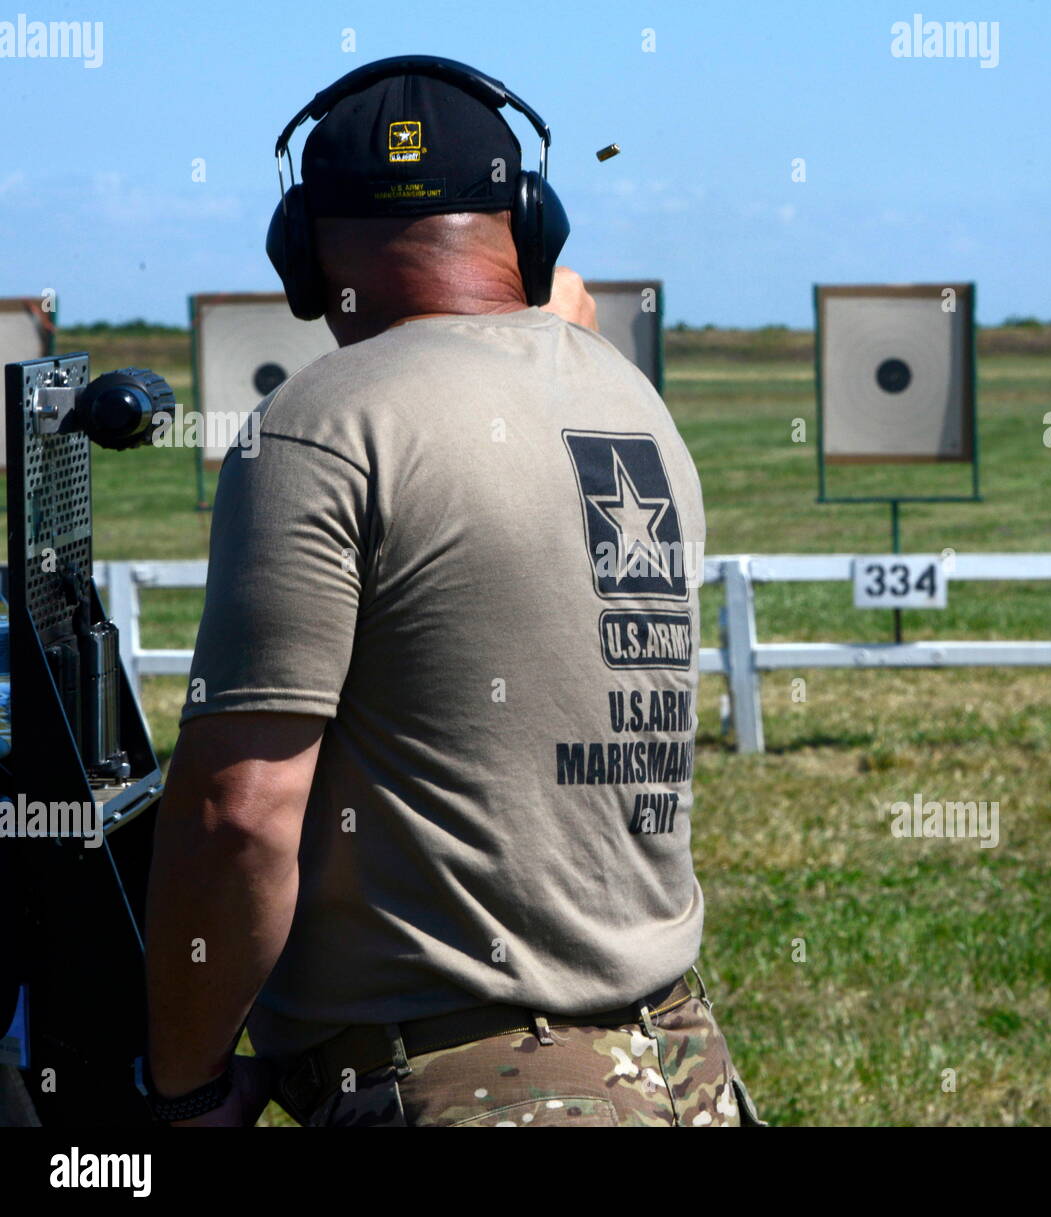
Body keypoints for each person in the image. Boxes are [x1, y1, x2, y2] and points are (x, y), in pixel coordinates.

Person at [141, 58, 763, 1128]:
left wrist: (184, 1079)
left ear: (300, 249)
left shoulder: (323, 421)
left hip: (466, 1081)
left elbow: (238, 814)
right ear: (529, 221)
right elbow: (545, 325)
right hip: (678, 1060)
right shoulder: (625, 398)